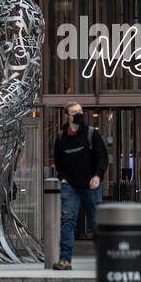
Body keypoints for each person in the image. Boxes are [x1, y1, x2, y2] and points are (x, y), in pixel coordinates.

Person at [52, 101, 107, 270]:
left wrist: (98, 176)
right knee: (67, 221)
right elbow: (58, 161)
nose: (79, 114)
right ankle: (65, 260)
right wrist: (62, 178)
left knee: (96, 223)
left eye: (80, 111)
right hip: (70, 187)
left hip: (91, 185)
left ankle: (104, 260)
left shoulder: (91, 134)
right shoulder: (61, 137)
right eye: (75, 112)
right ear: (67, 115)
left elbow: (102, 158)